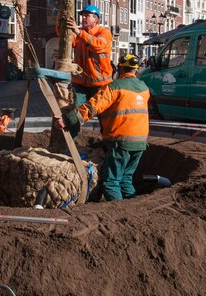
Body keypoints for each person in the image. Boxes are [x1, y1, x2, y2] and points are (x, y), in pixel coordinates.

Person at [56, 52, 150, 201]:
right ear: (136, 70)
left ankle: (117, 213)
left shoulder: (114, 87)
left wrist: (68, 119)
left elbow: (93, 106)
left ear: (119, 69)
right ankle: (133, 209)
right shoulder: (144, 88)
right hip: (140, 143)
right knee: (126, 180)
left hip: (121, 142)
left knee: (111, 183)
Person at [56, 4, 113, 107]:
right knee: (75, 113)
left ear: (95, 19)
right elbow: (65, 39)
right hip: (80, 83)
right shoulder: (79, 33)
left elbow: (98, 45)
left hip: (100, 85)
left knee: (103, 116)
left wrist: (78, 32)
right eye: (82, 15)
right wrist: (60, 23)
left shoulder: (104, 33)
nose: (83, 17)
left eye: (87, 15)